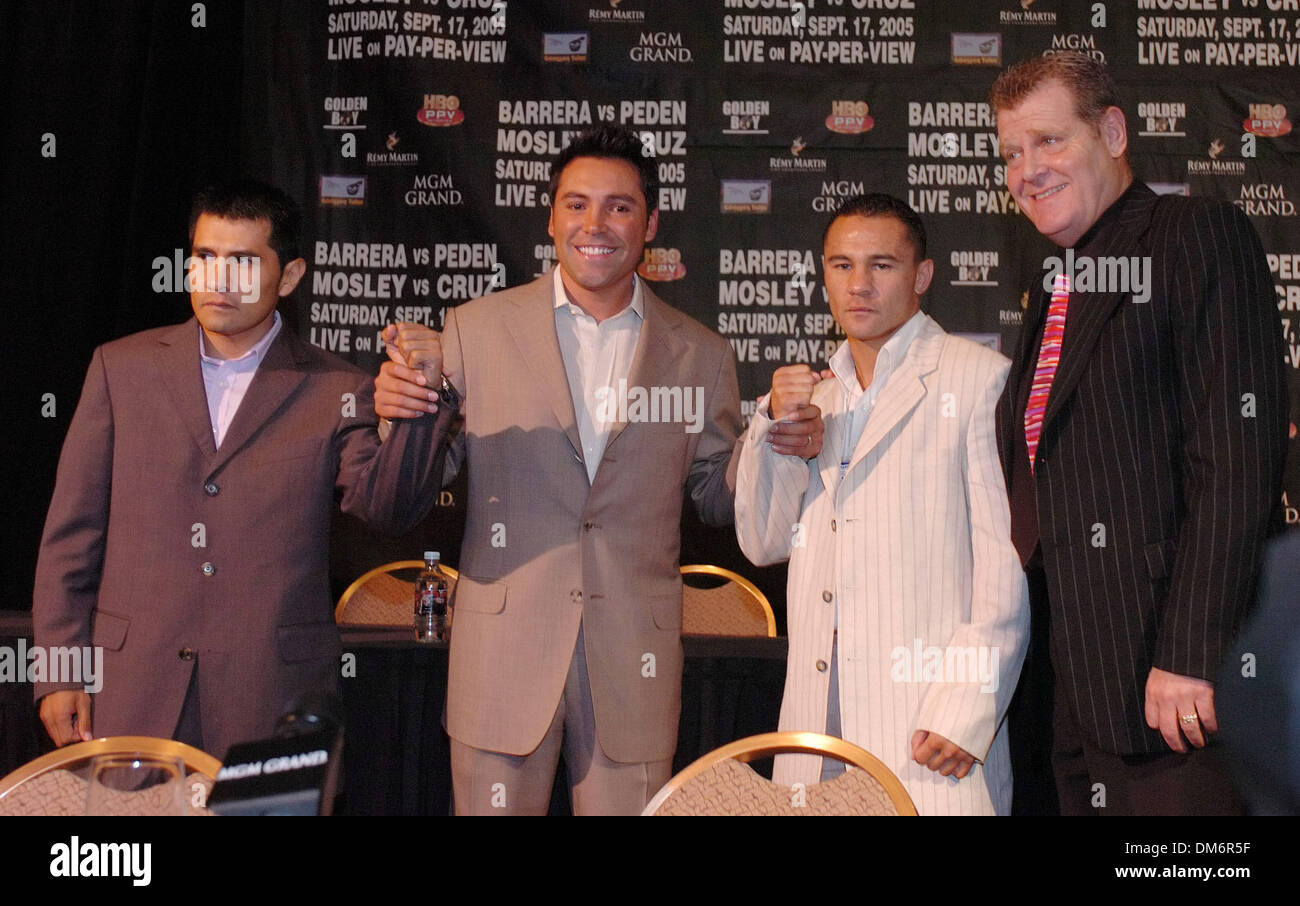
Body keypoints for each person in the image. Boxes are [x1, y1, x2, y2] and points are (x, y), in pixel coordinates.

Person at [370, 125, 824, 815]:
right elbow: (415, 482)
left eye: (619, 206)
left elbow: (711, 496)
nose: (596, 224)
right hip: (502, 655)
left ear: (651, 224)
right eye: (577, 204)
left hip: (632, 664)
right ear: (551, 217)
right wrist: (404, 409)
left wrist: (769, 440)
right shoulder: (473, 330)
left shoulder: (700, 354)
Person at [991, 52, 1289, 814]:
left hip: (1175, 694)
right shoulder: (1055, 285)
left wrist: (1191, 655)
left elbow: (1237, 456)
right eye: (1011, 153)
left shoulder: (1196, 235)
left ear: (1114, 132)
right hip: (1072, 694)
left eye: (1050, 141)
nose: (1028, 169)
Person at [32, 179, 418, 760]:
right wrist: (60, 672)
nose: (218, 279)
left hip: (271, 692)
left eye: (243, 260)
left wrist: (416, 413)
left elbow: (386, 510)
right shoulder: (121, 368)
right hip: (132, 686)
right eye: (205, 258)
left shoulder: (338, 388)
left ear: (288, 277)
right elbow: (71, 537)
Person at [734, 194, 1029, 815]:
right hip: (816, 720)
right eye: (841, 266)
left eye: (882, 265)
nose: (858, 285)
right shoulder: (815, 395)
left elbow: (1006, 562)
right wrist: (770, 427)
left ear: (922, 276)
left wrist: (967, 706)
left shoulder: (978, 378)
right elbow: (762, 541)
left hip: (927, 724)